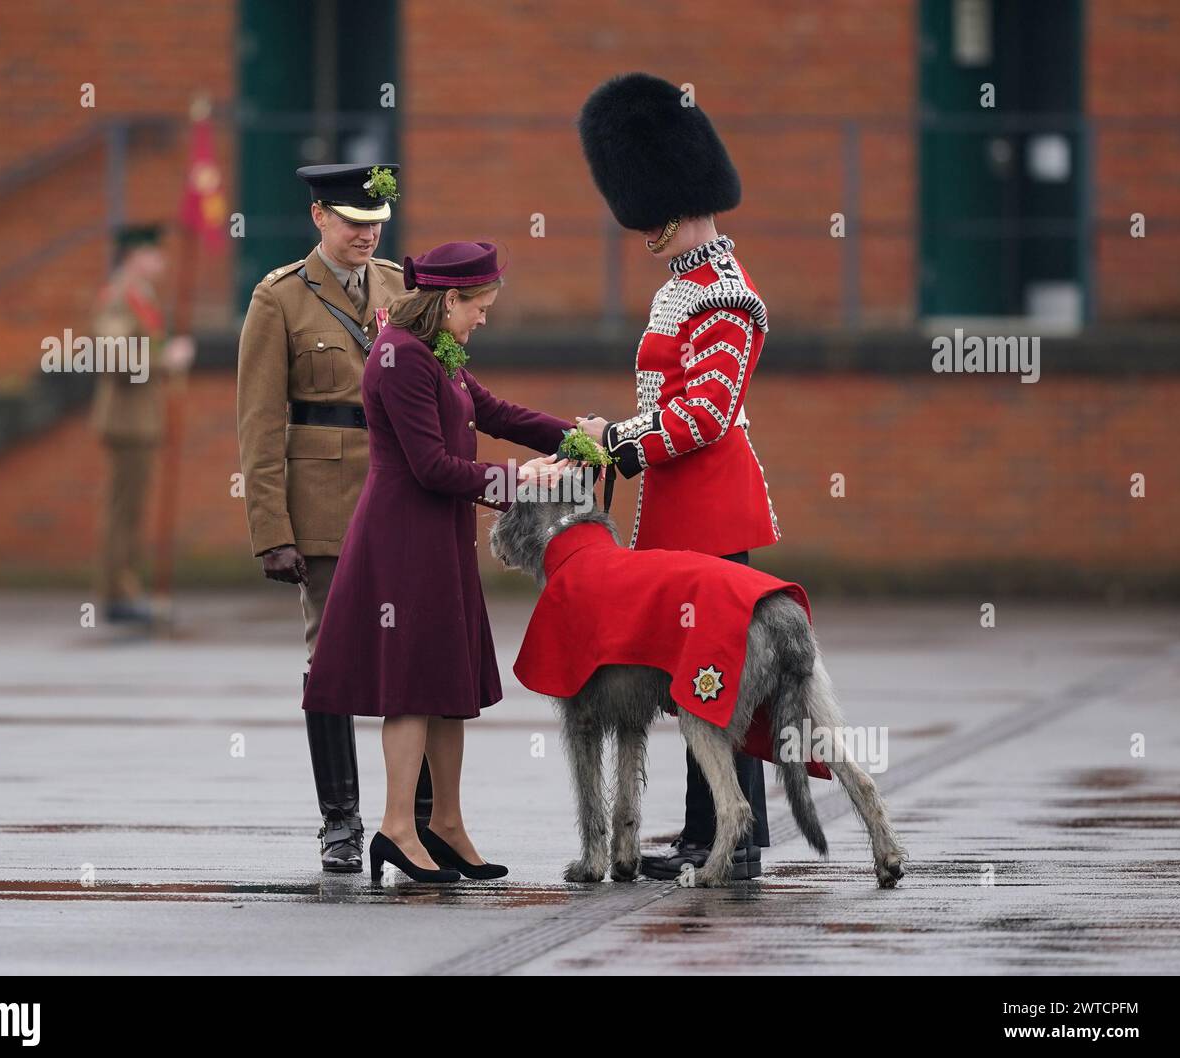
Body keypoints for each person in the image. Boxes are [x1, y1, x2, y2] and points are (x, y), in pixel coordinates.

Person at [302, 241, 574, 883]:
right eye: (479, 306)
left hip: (440, 531)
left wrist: (581, 439)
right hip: (403, 538)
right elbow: (430, 466)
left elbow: (498, 413)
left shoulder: (435, 351)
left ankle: (445, 822)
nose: (484, 318)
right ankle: (398, 825)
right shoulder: (400, 358)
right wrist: (520, 482)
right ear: (449, 299)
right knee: (411, 684)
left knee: (447, 682)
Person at [574, 73, 781, 882]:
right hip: (678, 506)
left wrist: (619, 444)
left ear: (679, 201)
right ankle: (706, 831)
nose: (644, 233)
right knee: (697, 672)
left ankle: (736, 836)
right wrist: (616, 434)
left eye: (652, 217)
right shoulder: (684, 287)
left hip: (711, 509)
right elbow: (672, 407)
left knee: (717, 675)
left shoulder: (725, 295)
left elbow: (704, 418)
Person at [236, 162, 432, 873]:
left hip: (401, 488)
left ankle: (413, 821)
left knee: (414, 654)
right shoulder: (278, 298)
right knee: (332, 661)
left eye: (375, 223)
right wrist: (272, 532)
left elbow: (442, 387)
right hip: (321, 501)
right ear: (319, 216)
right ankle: (341, 822)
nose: (365, 234)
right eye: (353, 222)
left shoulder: (400, 289)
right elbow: (259, 423)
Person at [91, 222, 194, 625]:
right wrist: (164, 360)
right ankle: (117, 592)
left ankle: (124, 589)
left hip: (140, 421)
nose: (161, 261)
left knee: (130, 511)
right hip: (126, 421)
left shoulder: (140, 296)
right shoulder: (121, 297)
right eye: (154, 252)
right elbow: (113, 357)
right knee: (122, 512)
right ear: (135, 256)